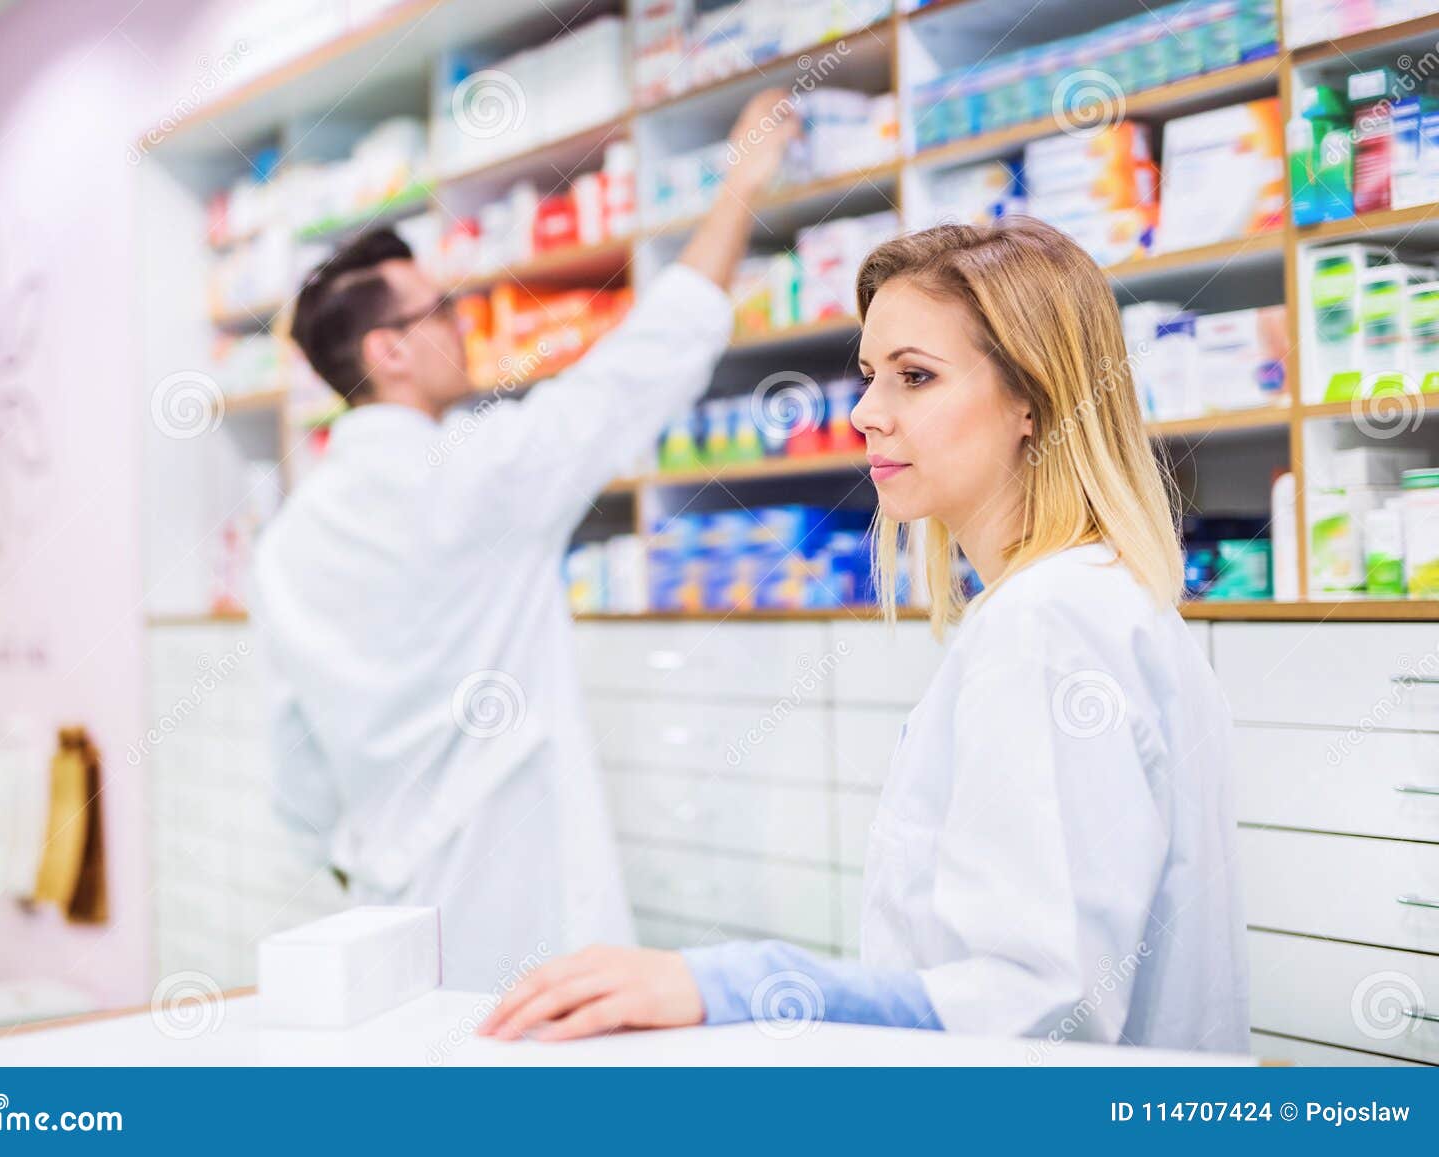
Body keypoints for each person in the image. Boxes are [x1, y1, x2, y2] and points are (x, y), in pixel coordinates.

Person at [478, 217, 1250, 1052]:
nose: (866, 413)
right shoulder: (1088, 598)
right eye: (870, 375)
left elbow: (1037, 1008)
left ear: (1033, 399)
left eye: (915, 376)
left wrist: (729, 984)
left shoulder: (1050, 621)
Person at [252, 91, 798, 991]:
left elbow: (296, 779)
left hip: (385, 914)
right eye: (441, 310)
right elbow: (647, 360)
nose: (460, 324)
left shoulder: (285, 545)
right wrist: (742, 182)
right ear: (388, 351)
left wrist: (359, 856)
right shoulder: (477, 473)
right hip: (525, 913)